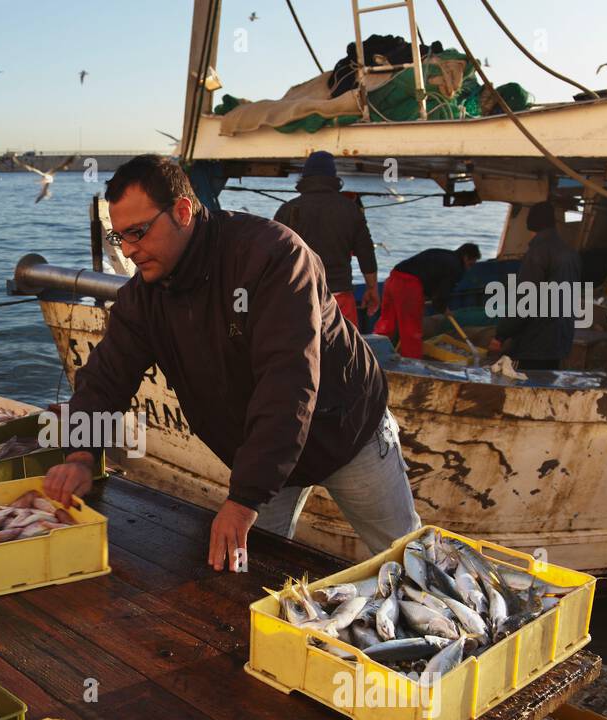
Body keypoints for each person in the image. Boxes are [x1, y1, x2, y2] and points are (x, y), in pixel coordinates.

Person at [43, 154, 420, 572]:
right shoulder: (145, 297)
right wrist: (80, 452)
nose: (130, 251)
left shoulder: (272, 256)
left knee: (407, 558)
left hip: (346, 429)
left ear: (183, 212)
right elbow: (105, 378)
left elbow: (287, 382)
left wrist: (242, 500)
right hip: (263, 448)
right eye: (120, 238)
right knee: (253, 570)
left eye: (138, 232)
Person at [273, 151, 380, 326]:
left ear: (305, 177)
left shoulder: (287, 210)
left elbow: (273, 256)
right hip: (339, 298)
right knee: (344, 351)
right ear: (333, 176)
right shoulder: (350, 210)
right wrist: (372, 288)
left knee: (302, 351)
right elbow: (365, 253)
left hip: (298, 297)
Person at [491, 201, 582, 370]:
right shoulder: (570, 252)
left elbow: (526, 299)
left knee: (528, 387)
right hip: (561, 337)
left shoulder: (538, 251)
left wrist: (501, 335)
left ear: (530, 223)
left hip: (537, 340)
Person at [373, 243, 481, 358]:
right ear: (465, 257)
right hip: (408, 286)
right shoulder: (456, 266)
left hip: (392, 279)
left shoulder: (442, 253)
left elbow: (429, 275)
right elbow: (441, 295)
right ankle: (412, 365)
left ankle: (373, 353)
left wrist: (428, 296)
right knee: (411, 331)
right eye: (471, 264)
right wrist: (443, 308)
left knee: (386, 323)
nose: (469, 268)